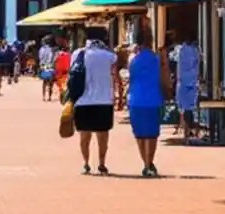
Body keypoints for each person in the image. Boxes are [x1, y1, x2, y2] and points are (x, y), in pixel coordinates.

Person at [70, 27, 120, 175]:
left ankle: (85, 163)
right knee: (103, 135)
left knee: (84, 135)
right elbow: (115, 75)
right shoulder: (110, 55)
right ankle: (102, 163)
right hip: (104, 100)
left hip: (82, 100)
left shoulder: (77, 54)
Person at [126, 30, 169, 177]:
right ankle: (148, 163)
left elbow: (130, 78)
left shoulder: (133, 59)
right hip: (153, 99)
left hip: (135, 99)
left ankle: (146, 163)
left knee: (140, 135)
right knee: (151, 134)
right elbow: (164, 77)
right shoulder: (157, 59)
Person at [175, 34, 201, 139]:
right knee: (193, 108)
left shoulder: (181, 50)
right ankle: (193, 131)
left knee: (185, 108)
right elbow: (198, 64)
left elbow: (178, 66)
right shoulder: (195, 51)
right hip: (193, 81)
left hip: (183, 82)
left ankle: (186, 131)